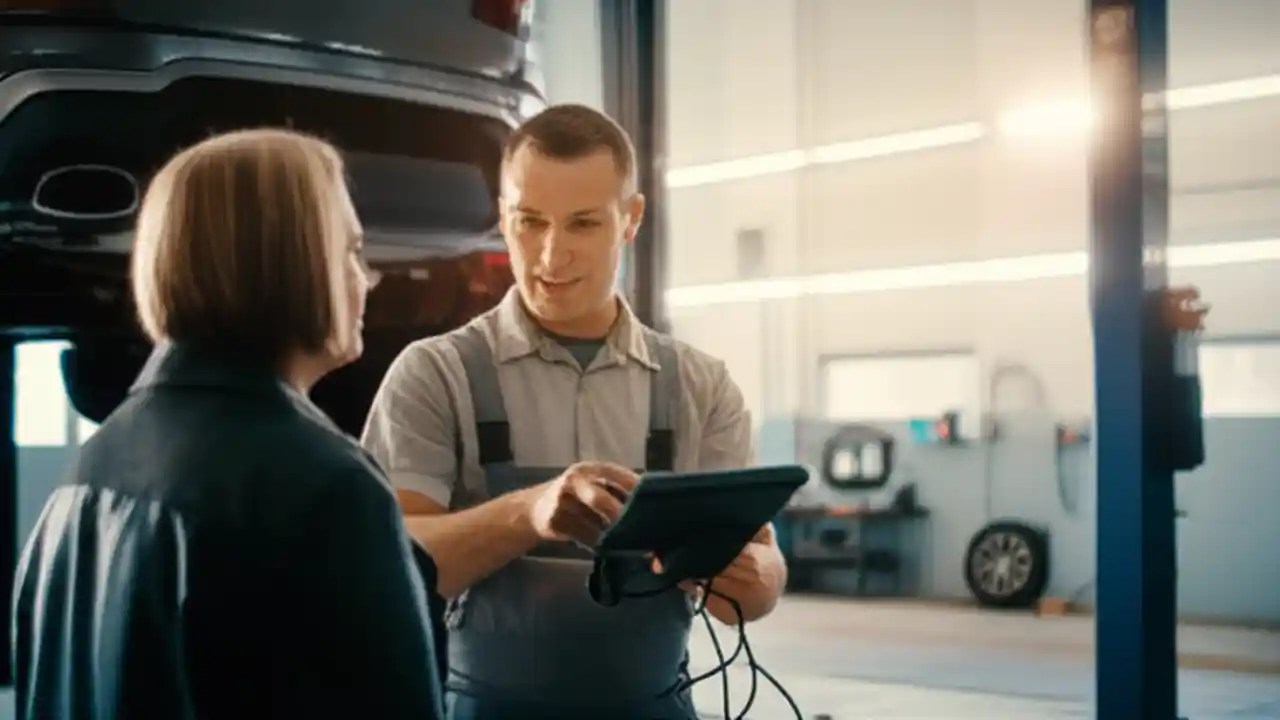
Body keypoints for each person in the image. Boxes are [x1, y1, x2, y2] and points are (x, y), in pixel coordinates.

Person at [361, 104, 788, 719]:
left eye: (583, 224)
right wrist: (531, 512)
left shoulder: (700, 387)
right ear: (502, 217)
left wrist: (758, 582)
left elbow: (759, 562)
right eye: (529, 221)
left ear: (630, 219)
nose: (551, 255)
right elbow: (392, 568)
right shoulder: (434, 374)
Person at [11, 129, 445, 720]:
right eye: (351, 250)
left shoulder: (87, 473)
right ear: (292, 262)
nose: (367, 278)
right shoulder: (325, 487)